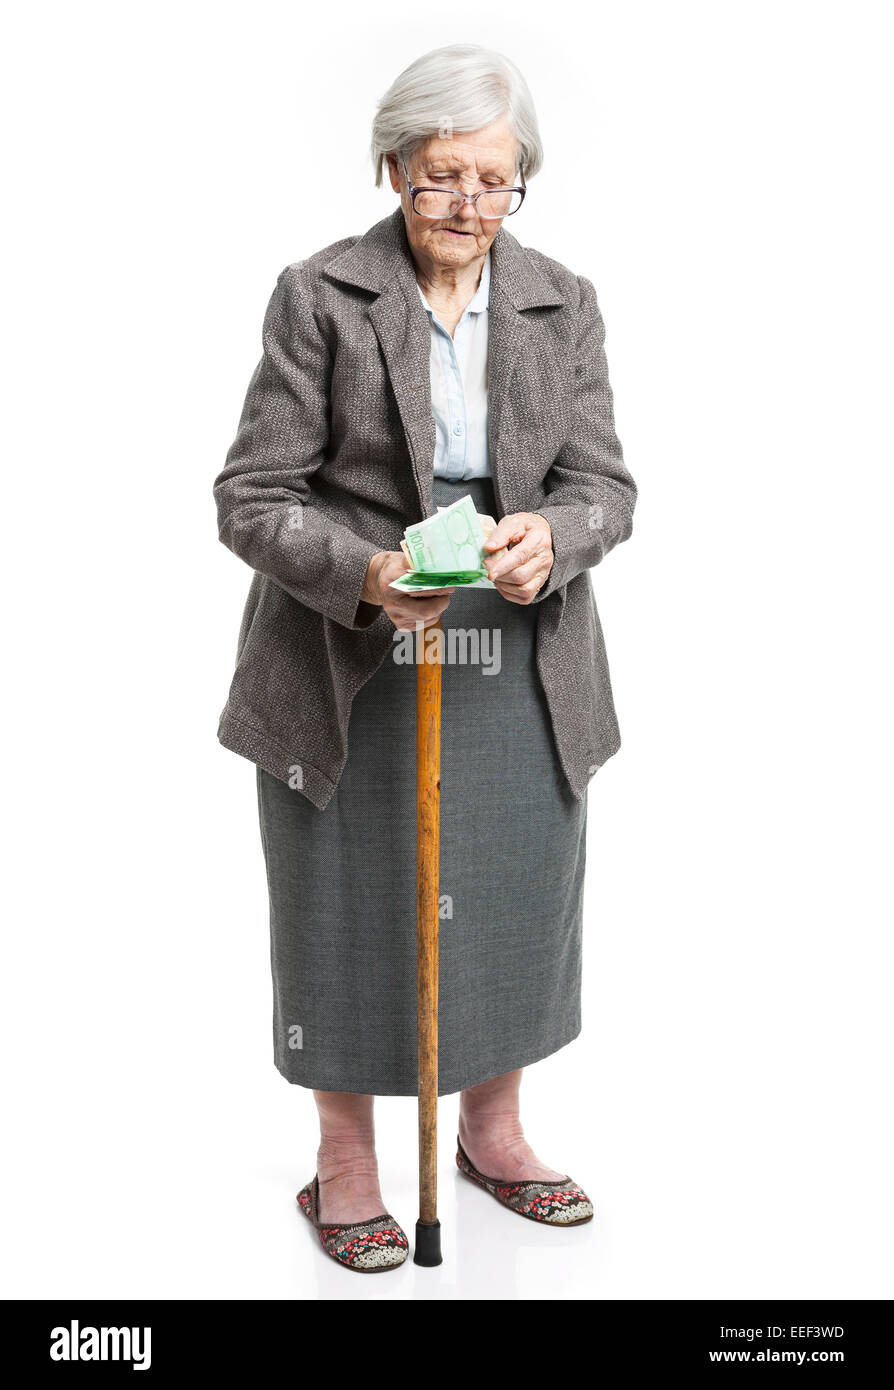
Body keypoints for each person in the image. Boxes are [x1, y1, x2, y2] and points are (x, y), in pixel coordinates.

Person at [214, 43, 636, 1272]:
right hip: (346, 644)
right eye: (443, 174)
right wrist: (364, 573)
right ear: (394, 168)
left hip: (521, 645)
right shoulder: (320, 294)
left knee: (510, 885)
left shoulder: (564, 300)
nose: (468, 204)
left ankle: (492, 1135)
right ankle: (346, 1160)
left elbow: (604, 485)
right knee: (345, 892)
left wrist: (555, 536)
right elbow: (252, 494)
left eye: (495, 179)